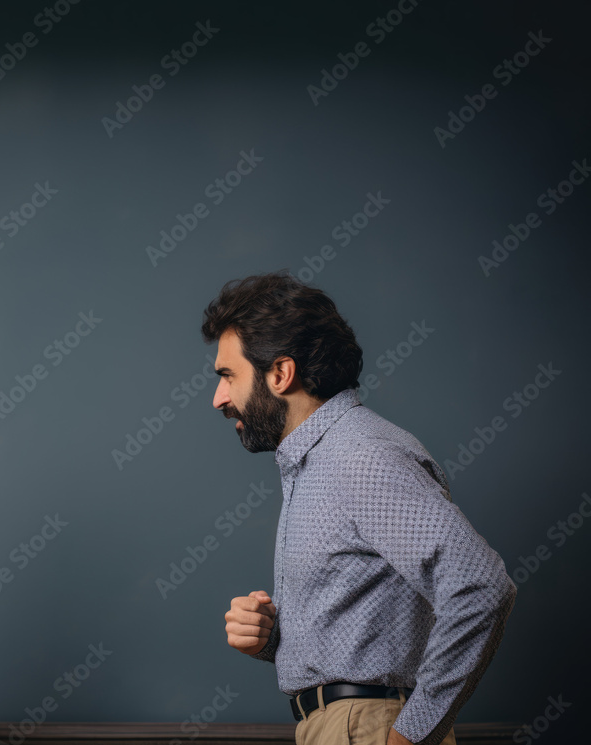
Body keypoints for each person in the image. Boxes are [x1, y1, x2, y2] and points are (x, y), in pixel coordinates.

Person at [206, 273, 515, 745]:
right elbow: (370, 631)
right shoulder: (318, 461)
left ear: (280, 374)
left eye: (228, 375)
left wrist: (408, 736)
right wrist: (271, 637)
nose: (219, 398)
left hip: (364, 730)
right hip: (344, 727)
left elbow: (481, 586)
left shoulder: (360, 457)